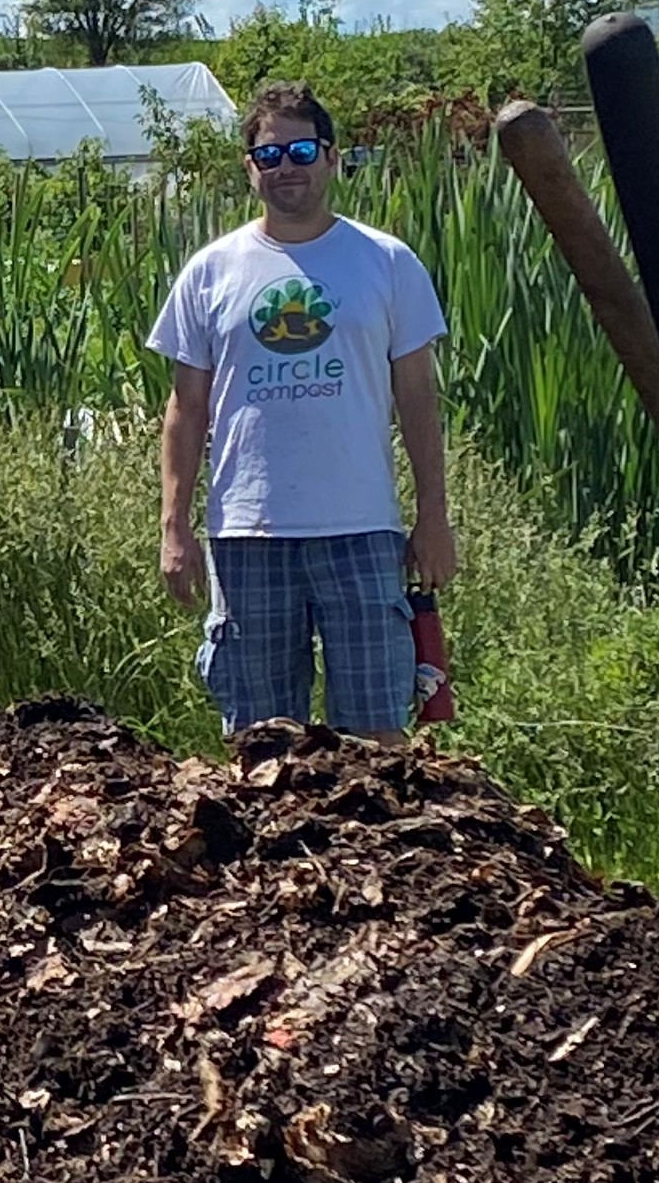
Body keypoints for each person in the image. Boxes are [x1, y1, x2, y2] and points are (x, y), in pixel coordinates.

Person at [147, 83, 453, 734]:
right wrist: (174, 525)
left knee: (375, 736)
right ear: (249, 167)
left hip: (362, 530)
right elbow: (185, 408)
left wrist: (434, 516)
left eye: (302, 150)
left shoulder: (388, 263)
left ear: (332, 158)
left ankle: (374, 841)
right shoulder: (210, 272)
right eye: (270, 154)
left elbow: (419, 399)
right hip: (248, 534)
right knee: (261, 744)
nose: (287, 165)